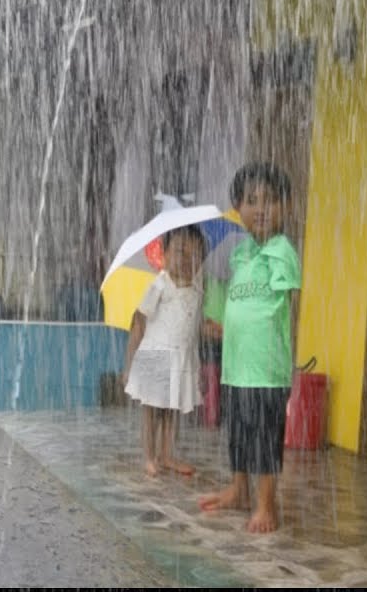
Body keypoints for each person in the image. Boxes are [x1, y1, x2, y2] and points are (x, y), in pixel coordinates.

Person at [198, 162, 301, 533]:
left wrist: (292, 351)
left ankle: (265, 504)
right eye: (251, 200)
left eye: (271, 200)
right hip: (236, 366)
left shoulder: (281, 251)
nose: (261, 208)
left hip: (266, 369)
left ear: (286, 208)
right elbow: (243, 304)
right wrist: (223, 327)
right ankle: (238, 489)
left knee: (264, 437)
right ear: (237, 208)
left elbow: (291, 305)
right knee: (239, 433)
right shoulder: (240, 255)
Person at [122, 225, 207, 477]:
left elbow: (192, 324)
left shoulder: (198, 288)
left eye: (193, 254)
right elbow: (138, 320)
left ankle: (167, 454)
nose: (185, 260)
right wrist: (130, 363)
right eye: (179, 252)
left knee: (171, 410)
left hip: (181, 359)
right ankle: (150, 456)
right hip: (156, 356)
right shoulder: (160, 284)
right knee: (152, 411)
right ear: (165, 254)